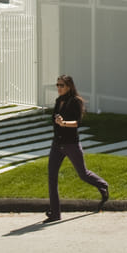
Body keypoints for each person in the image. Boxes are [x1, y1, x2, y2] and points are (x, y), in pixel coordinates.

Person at [44, 74, 109, 223]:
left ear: (69, 87)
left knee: (83, 174)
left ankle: (102, 185)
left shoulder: (76, 102)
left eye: (62, 85)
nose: (59, 88)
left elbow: (77, 123)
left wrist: (64, 123)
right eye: (57, 85)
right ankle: (55, 213)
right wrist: (58, 123)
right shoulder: (58, 101)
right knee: (51, 176)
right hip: (57, 144)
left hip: (71, 144)